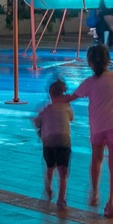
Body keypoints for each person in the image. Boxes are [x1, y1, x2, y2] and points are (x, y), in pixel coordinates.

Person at [70, 43, 113, 218]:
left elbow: (73, 96)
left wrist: (56, 99)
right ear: (108, 61)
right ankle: (112, 202)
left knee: (96, 159)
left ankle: (94, 193)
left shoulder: (88, 83)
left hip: (97, 128)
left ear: (89, 63)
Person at [32, 77, 73, 209]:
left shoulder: (46, 109)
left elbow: (36, 121)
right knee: (63, 172)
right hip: (63, 141)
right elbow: (71, 118)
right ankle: (61, 200)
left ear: (50, 94)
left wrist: (40, 129)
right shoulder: (67, 107)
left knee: (49, 168)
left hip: (48, 142)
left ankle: (48, 189)